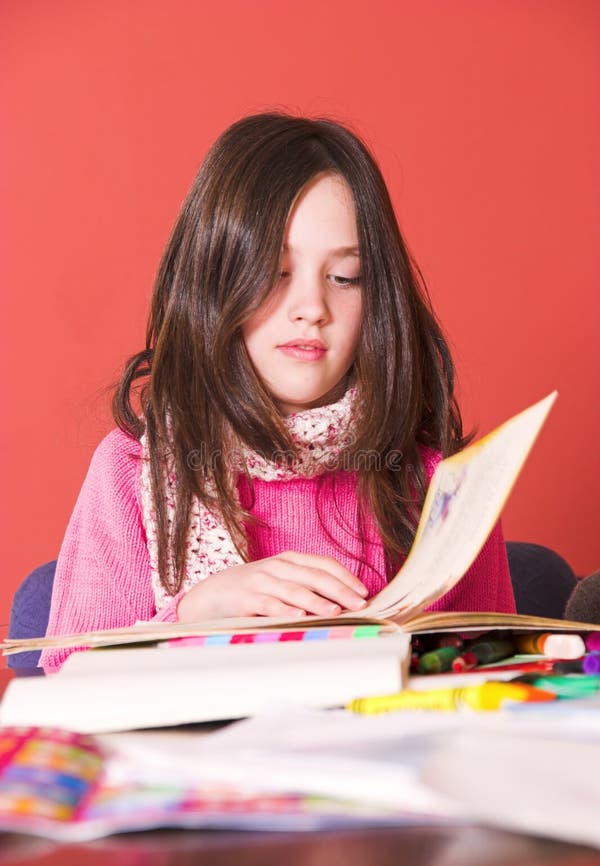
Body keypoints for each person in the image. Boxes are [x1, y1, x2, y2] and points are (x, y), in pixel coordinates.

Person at [40, 113, 515, 672]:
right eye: (274, 271)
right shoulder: (129, 468)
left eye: (345, 277)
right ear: (213, 282)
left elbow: (497, 672)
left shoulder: (441, 486)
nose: (312, 308)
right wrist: (194, 614)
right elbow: (68, 678)